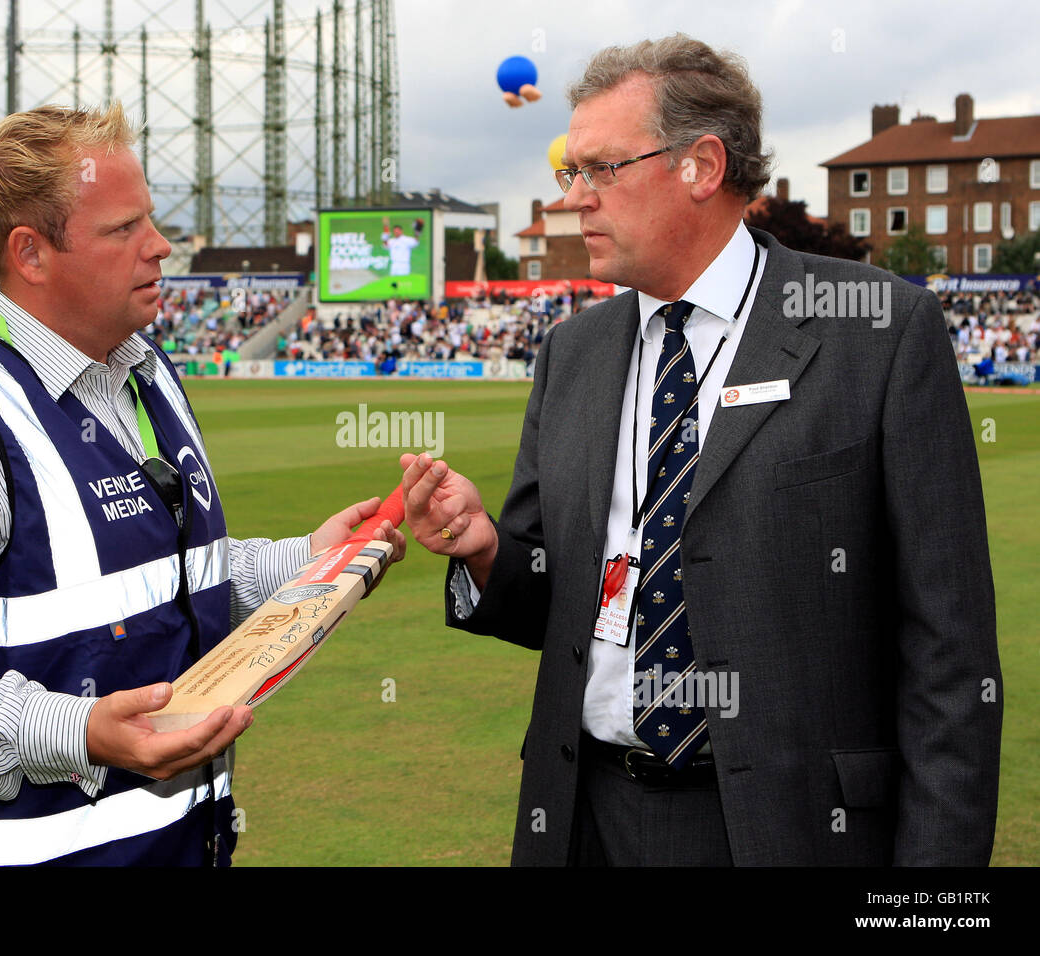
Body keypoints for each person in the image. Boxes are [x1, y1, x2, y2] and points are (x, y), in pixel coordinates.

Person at [400, 34, 1001, 866]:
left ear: (702, 166)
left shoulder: (879, 332)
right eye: (567, 172)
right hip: (585, 817)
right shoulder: (572, 352)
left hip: (788, 829)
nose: (573, 199)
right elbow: (554, 600)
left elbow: (950, 656)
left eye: (600, 169)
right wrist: (486, 550)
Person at [0, 104, 404, 866]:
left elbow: (169, 587)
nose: (160, 247)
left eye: (151, 221)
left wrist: (316, 561)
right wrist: (77, 732)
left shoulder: (145, 371)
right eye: (123, 228)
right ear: (31, 254)